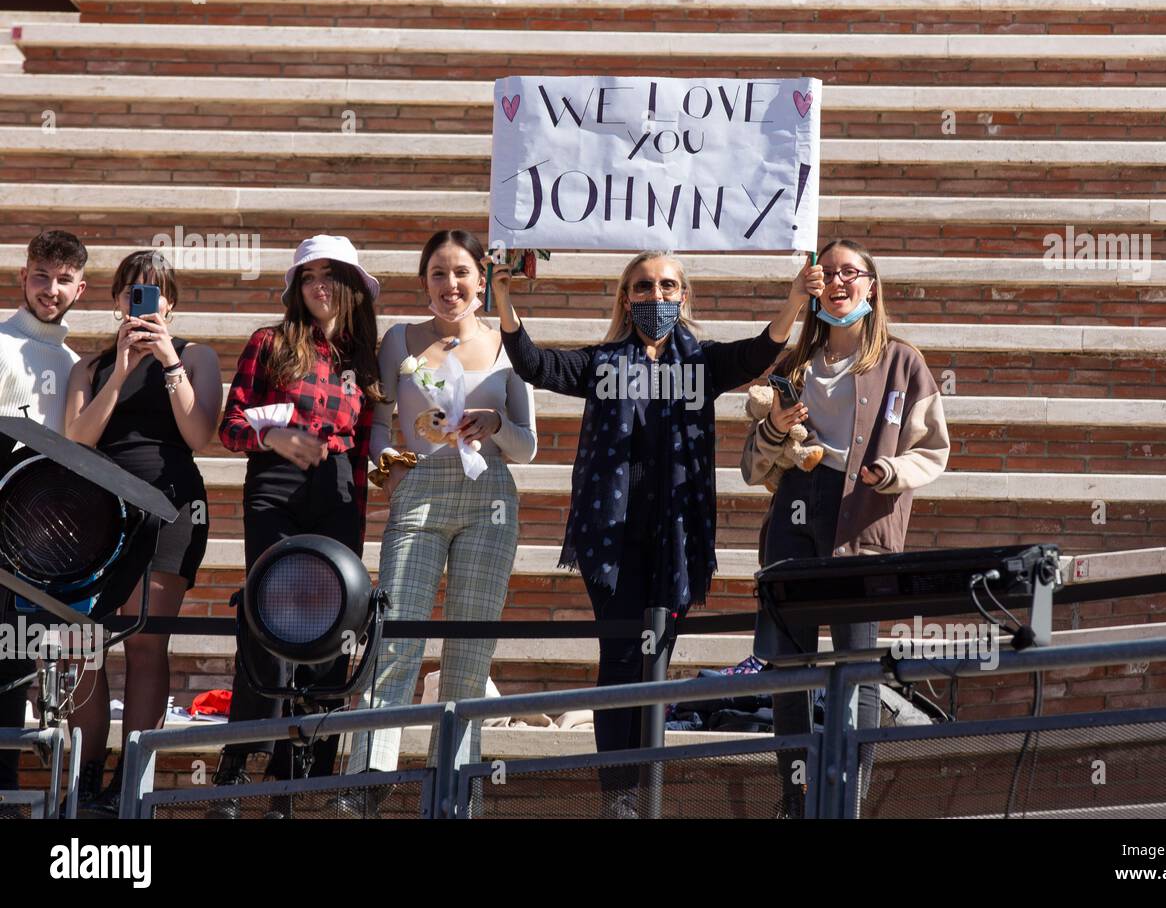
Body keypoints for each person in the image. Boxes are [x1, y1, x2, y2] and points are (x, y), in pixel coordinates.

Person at [494, 249, 818, 818]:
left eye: (669, 287)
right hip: (612, 539)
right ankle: (620, 799)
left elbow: (760, 352)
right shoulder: (601, 363)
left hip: (677, 537)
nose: (657, 297)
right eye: (644, 287)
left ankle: (646, 794)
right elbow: (535, 365)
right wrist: (504, 301)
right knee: (620, 661)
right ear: (626, 298)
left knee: (656, 667)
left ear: (684, 297)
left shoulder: (703, 364)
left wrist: (794, 300)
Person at [740, 238, 950, 818]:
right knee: (787, 665)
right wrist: (778, 430)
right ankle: (796, 794)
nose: (837, 282)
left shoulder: (903, 361)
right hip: (794, 516)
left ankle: (847, 801)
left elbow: (933, 449)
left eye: (849, 273)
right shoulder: (793, 364)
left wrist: (889, 470)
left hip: (860, 516)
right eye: (826, 273)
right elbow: (752, 466)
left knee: (856, 668)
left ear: (871, 285)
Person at [344, 230, 536, 812]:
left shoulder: (509, 343)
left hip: (489, 497)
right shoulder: (398, 339)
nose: (449, 286)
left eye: (460, 274)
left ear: (482, 279)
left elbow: (527, 445)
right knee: (396, 638)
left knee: (470, 650)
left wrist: (493, 424)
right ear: (423, 280)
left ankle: (456, 792)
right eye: (437, 274)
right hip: (419, 492)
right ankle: (366, 785)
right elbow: (378, 420)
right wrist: (390, 470)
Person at [207, 235, 382, 818]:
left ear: (353, 287)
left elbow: (363, 443)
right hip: (275, 481)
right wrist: (272, 436)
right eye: (309, 277)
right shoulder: (271, 341)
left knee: (333, 620)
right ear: (296, 288)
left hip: (338, 490)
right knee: (269, 617)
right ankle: (234, 775)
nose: (320, 287)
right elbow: (229, 425)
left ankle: (290, 780)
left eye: (332, 276)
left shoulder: (364, 356)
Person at [63, 250, 222, 816]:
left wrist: (166, 359)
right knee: (81, 645)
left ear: (170, 303)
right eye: (132, 292)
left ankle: (133, 778)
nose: (141, 301)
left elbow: (199, 431)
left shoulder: (197, 356)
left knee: (146, 643)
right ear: (115, 302)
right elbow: (78, 438)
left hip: (170, 507)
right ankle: (86, 777)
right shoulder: (90, 367)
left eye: (152, 292)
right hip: (98, 511)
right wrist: (125, 369)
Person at [0, 230, 87, 796]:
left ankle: (5, 792)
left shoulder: (77, 363)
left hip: (34, 535)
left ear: (80, 288)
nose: (49, 289)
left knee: (14, 666)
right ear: (22, 276)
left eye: (62, 281)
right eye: (40, 276)